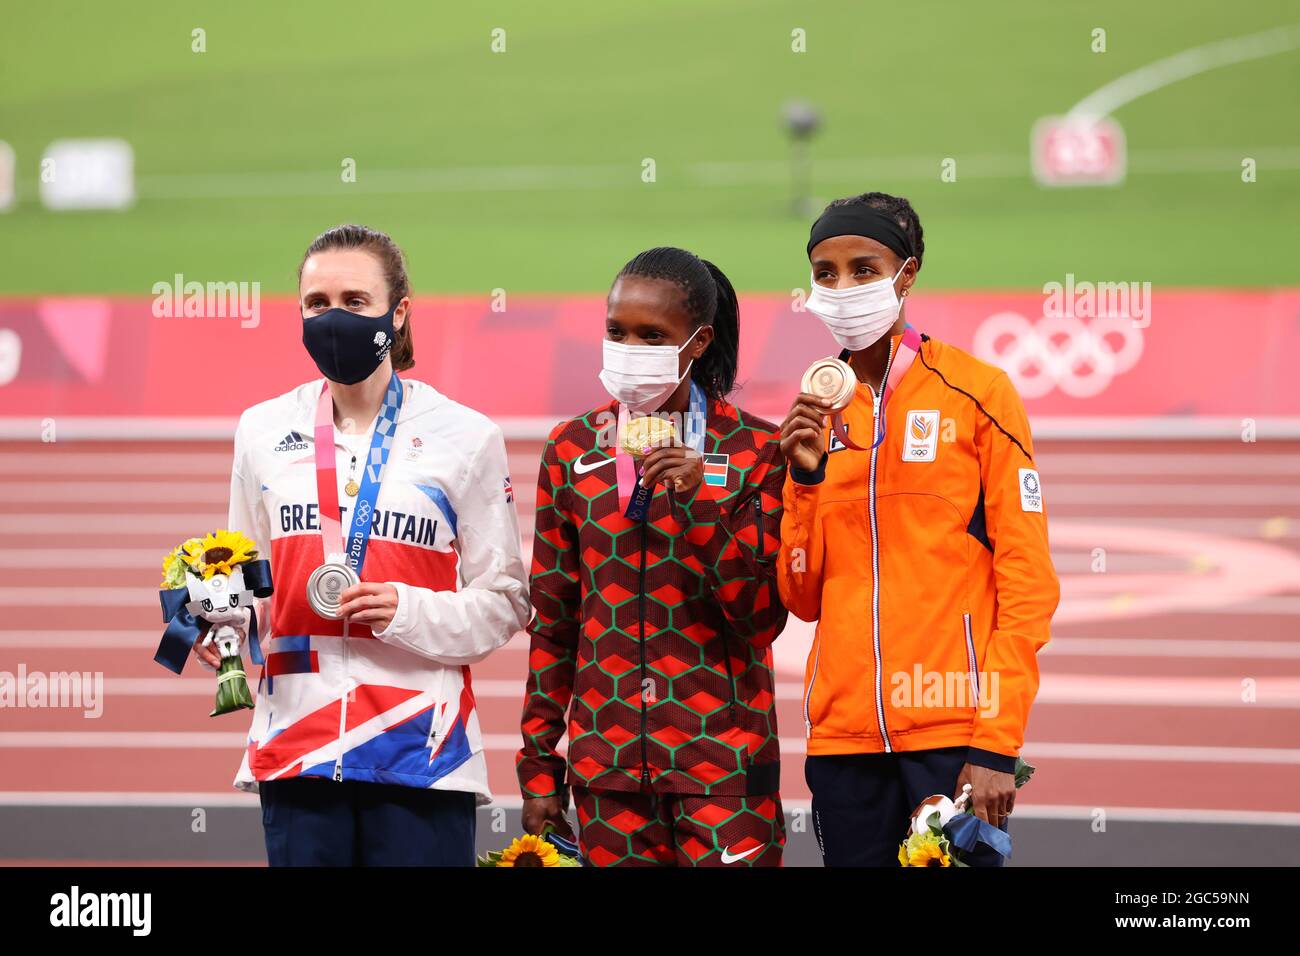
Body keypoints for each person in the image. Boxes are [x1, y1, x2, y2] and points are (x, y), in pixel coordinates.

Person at [196, 223, 530, 866]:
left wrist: (407, 610)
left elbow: (508, 600)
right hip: (298, 746)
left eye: (355, 302)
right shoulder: (262, 430)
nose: (334, 319)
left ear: (398, 313)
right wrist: (224, 625)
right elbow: (244, 576)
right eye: (317, 304)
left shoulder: (466, 436)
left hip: (423, 754)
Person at [778, 193, 1060, 867]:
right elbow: (801, 597)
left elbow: (1027, 582)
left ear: (907, 274)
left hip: (952, 731)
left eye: (863, 268)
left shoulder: (977, 393)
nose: (842, 287)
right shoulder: (814, 409)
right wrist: (808, 483)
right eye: (825, 272)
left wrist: (997, 742)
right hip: (843, 741)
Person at [516, 247, 788, 866]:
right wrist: (538, 765)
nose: (630, 349)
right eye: (617, 331)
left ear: (696, 342)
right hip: (605, 774)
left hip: (723, 770)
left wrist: (697, 504)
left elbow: (760, 618)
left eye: (651, 335)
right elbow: (553, 622)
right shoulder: (571, 449)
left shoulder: (756, 451)